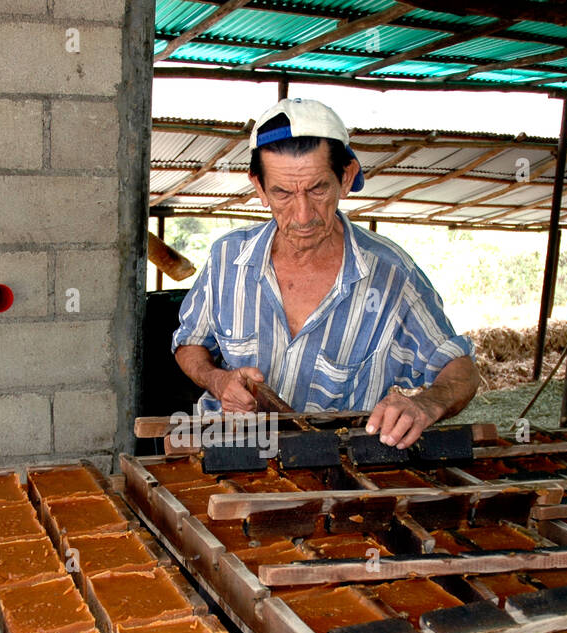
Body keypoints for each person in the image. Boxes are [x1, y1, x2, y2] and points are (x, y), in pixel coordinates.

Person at [171, 97, 478, 450]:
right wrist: (218, 380)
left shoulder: (391, 277)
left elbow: (460, 368)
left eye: (318, 189)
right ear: (259, 186)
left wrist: (427, 404)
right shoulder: (228, 259)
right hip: (224, 453)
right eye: (282, 193)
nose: (303, 216)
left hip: (332, 467)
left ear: (346, 177)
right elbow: (189, 342)